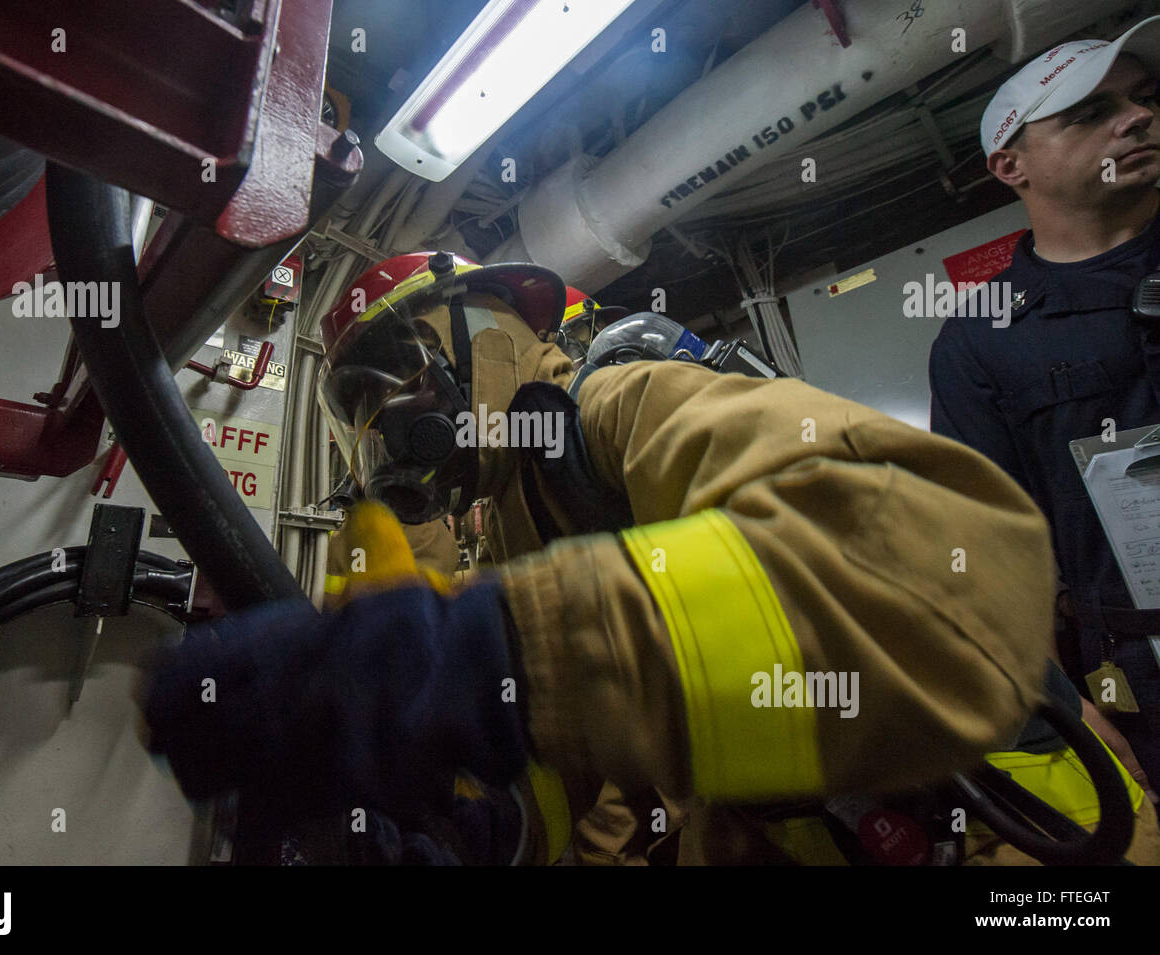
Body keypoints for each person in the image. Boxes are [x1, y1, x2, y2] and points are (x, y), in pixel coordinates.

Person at [145, 250, 1056, 864]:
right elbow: (598, 767)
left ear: (481, 330)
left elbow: (941, 579)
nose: (384, 421)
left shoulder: (625, 403)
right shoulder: (512, 516)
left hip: (1010, 834)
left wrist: (489, 653)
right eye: (360, 405)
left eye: (394, 375)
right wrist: (473, 833)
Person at [929, 17, 1160, 804]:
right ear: (1010, 164)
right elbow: (985, 551)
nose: (1138, 117)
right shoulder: (981, 342)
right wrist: (1066, 705)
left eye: (1143, 98)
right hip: (1140, 676)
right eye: (1091, 113)